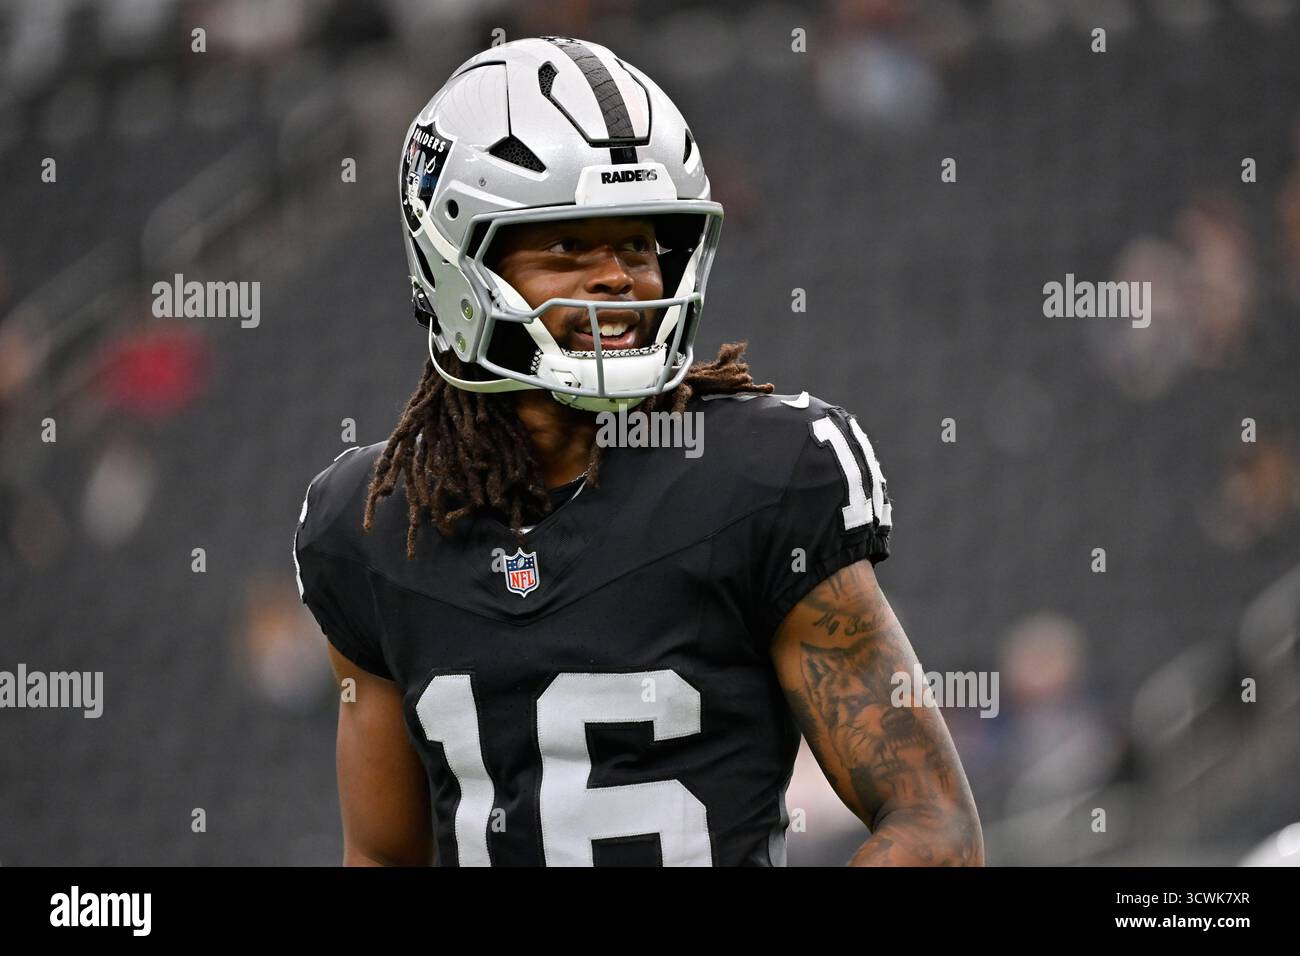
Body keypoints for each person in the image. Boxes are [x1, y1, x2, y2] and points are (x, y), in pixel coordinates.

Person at [293, 36, 982, 866]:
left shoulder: (758, 478)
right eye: (568, 246)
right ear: (456, 265)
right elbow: (379, 855)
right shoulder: (372, 524)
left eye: (636, 246)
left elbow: (933, 827)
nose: (618, 279)